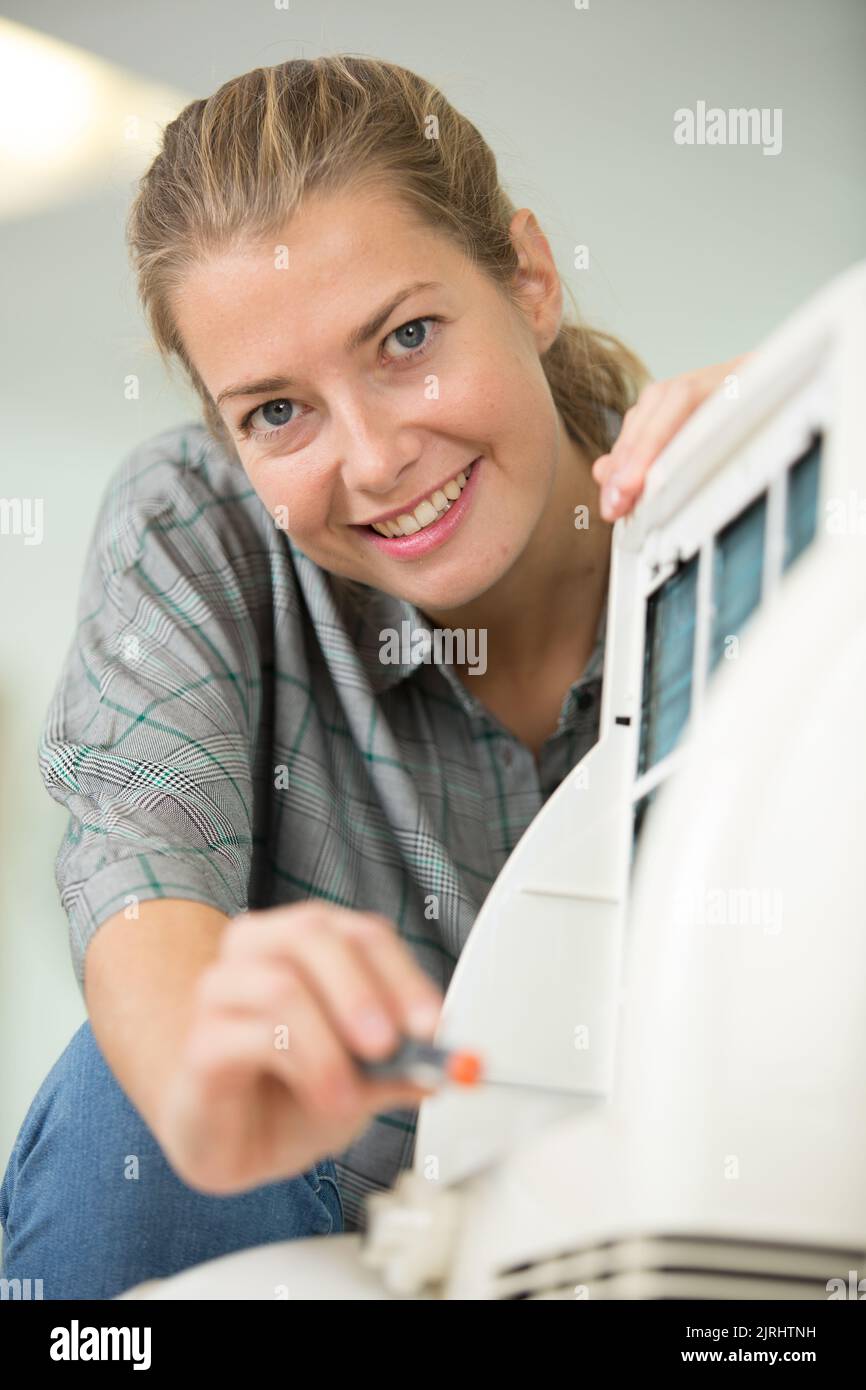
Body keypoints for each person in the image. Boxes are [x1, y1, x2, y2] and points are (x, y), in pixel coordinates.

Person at [0, 54, 750, 1300]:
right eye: (277, 413)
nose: (375, 458)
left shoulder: (748, 528)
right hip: (341, 1244)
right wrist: (194, 1058)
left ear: (527, 276)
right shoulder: (199, 526)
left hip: (688, 1253)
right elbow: (132, 839)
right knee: (116, 1103)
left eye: (406, 338)